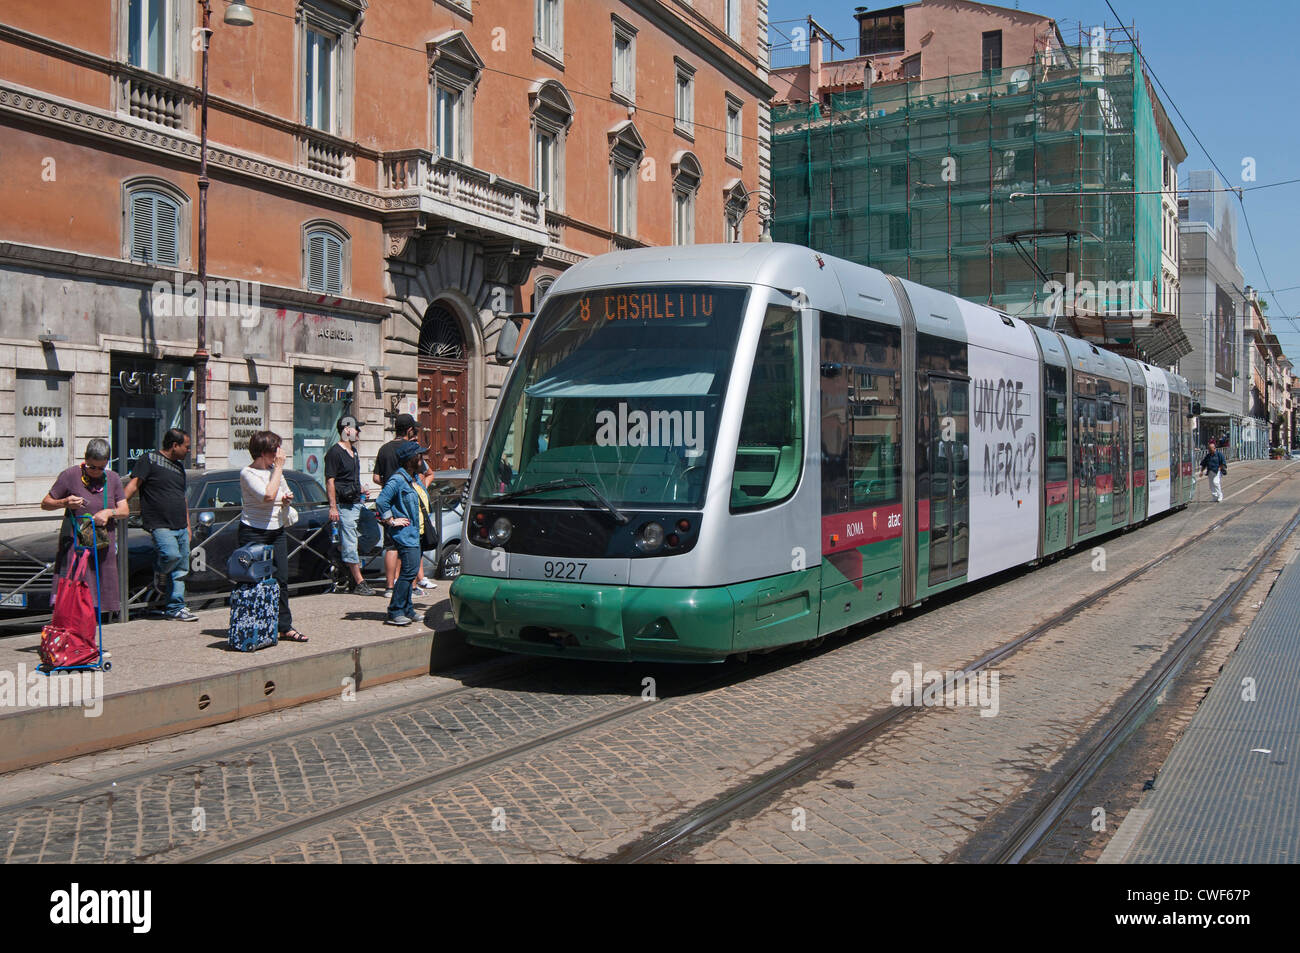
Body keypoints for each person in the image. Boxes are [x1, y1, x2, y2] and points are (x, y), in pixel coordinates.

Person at [41, 438, 129, 619]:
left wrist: (109, 512)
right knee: (75, 595)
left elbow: (125, 510)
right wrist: (64, 502)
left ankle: (90, 642)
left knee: (100, 597)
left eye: (101, 468)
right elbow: (46, 503)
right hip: (77, 548)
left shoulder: (112, 479)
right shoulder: (69, 475)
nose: (96, 472)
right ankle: (75, 641)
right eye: (92, 467)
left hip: (103, 547)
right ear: (85, 460)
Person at [238, 430, 308, 642]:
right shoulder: (247, 473)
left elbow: (281, 492)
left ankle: (284, 626)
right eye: (274, 450)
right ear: (263, 452)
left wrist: (287, 498)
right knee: (254, 581)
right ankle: (257, 627)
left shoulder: (274, 470)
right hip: (254, 531)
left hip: (275, 530)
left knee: (281, 579)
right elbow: (267, 496)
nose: (279, 454)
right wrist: (278, 468)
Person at [123, 428, 197, 621]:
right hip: (159, 523)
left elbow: (183, 498)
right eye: (186, 447)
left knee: (181, 568)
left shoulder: (179, 467)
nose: (188, 451)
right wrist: (117, 507)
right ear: (174, 445)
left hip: (180, 523)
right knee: (170, 555)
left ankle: (176, 607)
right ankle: (159, 572)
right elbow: (133, 485)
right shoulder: (149, 459)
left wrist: (188, 525)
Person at [373, 414, 437, 596]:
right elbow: (428, 472)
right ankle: (411, 587)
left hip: (393, 509)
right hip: (407, 508)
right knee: (410, 548)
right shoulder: (411, 450)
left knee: (391, 546)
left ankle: (389, 587)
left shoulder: (384, 449)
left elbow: (376, 478)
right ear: (410, 431)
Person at [375, 441, 428, 626]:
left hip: (417, 532)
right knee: (408, 572)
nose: (423, 458)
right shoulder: (398, 479)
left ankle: (407, 608)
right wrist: (391, 520)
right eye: (419, 456)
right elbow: (381, 501)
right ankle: (395, 610)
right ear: (411, 459)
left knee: (410, 571)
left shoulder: (414, 478)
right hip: (406, 533)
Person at [325, 415, 376, 596]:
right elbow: (330, 481)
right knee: (351, 543)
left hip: (357, 503)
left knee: (373, 532)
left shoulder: (354, 452)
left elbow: (351, 478)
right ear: (347, 429)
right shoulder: (334, 453)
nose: (359, 432)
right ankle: (359, 581)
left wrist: (361, 488)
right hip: (344, 505)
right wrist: (333, 506)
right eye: (356, 429)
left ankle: (341, 553)